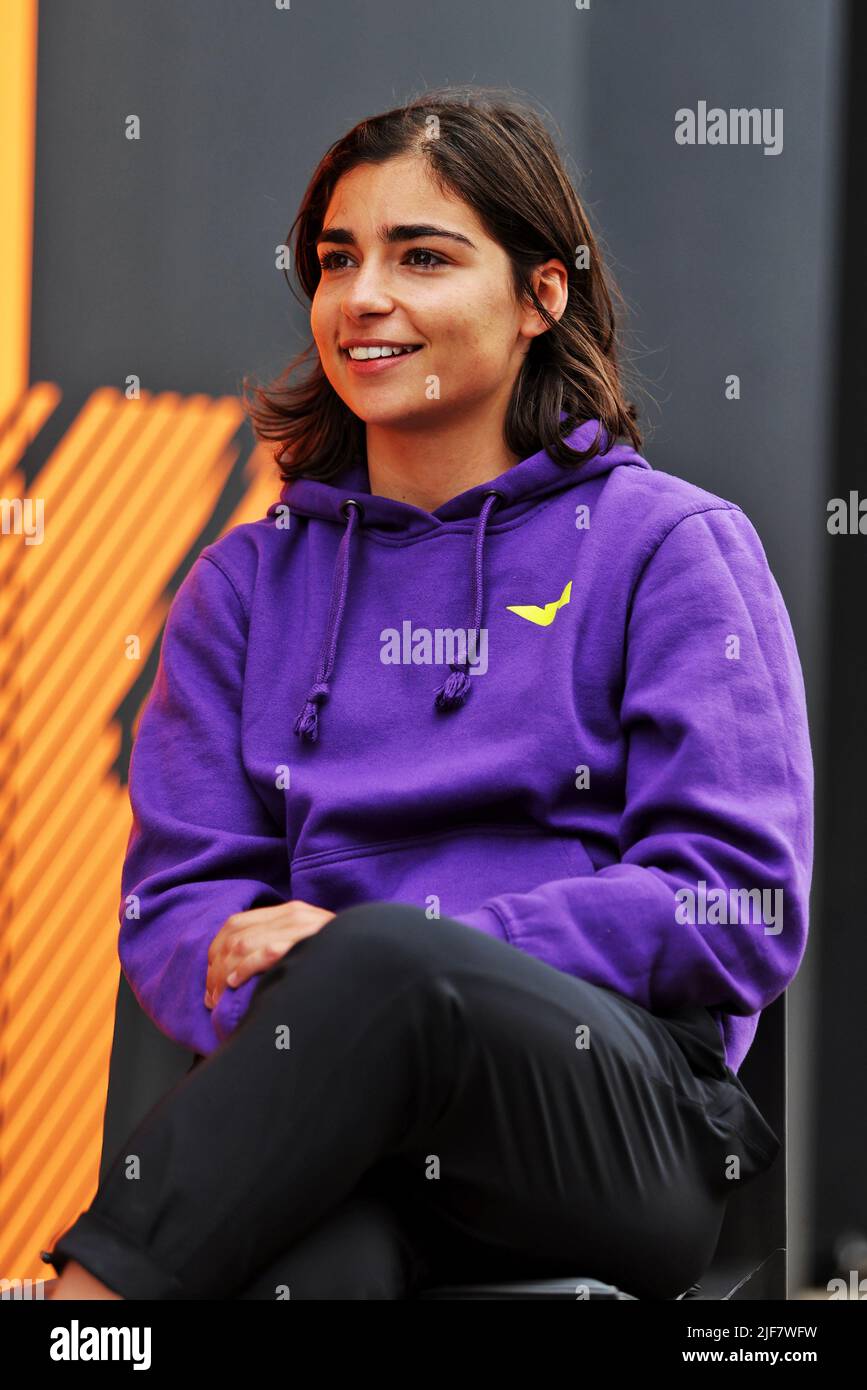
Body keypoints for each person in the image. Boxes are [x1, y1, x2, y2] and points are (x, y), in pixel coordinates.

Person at [41, 84, 813, 1301]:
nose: (363, 298)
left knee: (392, 964)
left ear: (541, 293)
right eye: (338, 259)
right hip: (333, 1109)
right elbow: (185, 902)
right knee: (318, 1271)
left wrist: (404, 957)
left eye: (424, 257)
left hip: (608, 1123)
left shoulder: (669, 547)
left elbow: (735, 902)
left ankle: (80, 1320)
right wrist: (312, 1011)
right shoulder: (244, 584)